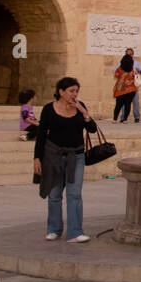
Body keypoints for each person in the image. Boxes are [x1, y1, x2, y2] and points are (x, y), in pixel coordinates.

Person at [32, 77, 98, 242]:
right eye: (71, 91)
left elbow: (93, 130)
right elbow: (41, 135)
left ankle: (75, 232)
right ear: (61, 92)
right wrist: (37, 158)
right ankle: (54, 229)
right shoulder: (48, 109)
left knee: (74, 194)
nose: (74, 94)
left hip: (76, 156)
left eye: (76, 91)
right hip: (53, 156)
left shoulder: (80, 107)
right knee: (54, 194)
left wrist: (84, 114)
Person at [112, 48, 141, 122]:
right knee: (126, 104)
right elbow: (114, 71)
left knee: (133, 102)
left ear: (133, 54)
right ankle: (124, 118)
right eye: (128, 54)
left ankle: (136, 117)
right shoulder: (121, 65)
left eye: (130, 54)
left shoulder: (136, 63)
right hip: (130, 88)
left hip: (125, 88)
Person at [112, 54, 138, 123]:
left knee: (118, 105)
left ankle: (115, 119)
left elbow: (116, 76)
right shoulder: (133, 69)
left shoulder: (119, 69)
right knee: (128, 104)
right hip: (131, 89)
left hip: (121, 89)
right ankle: (125, 119)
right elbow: (136, 77)